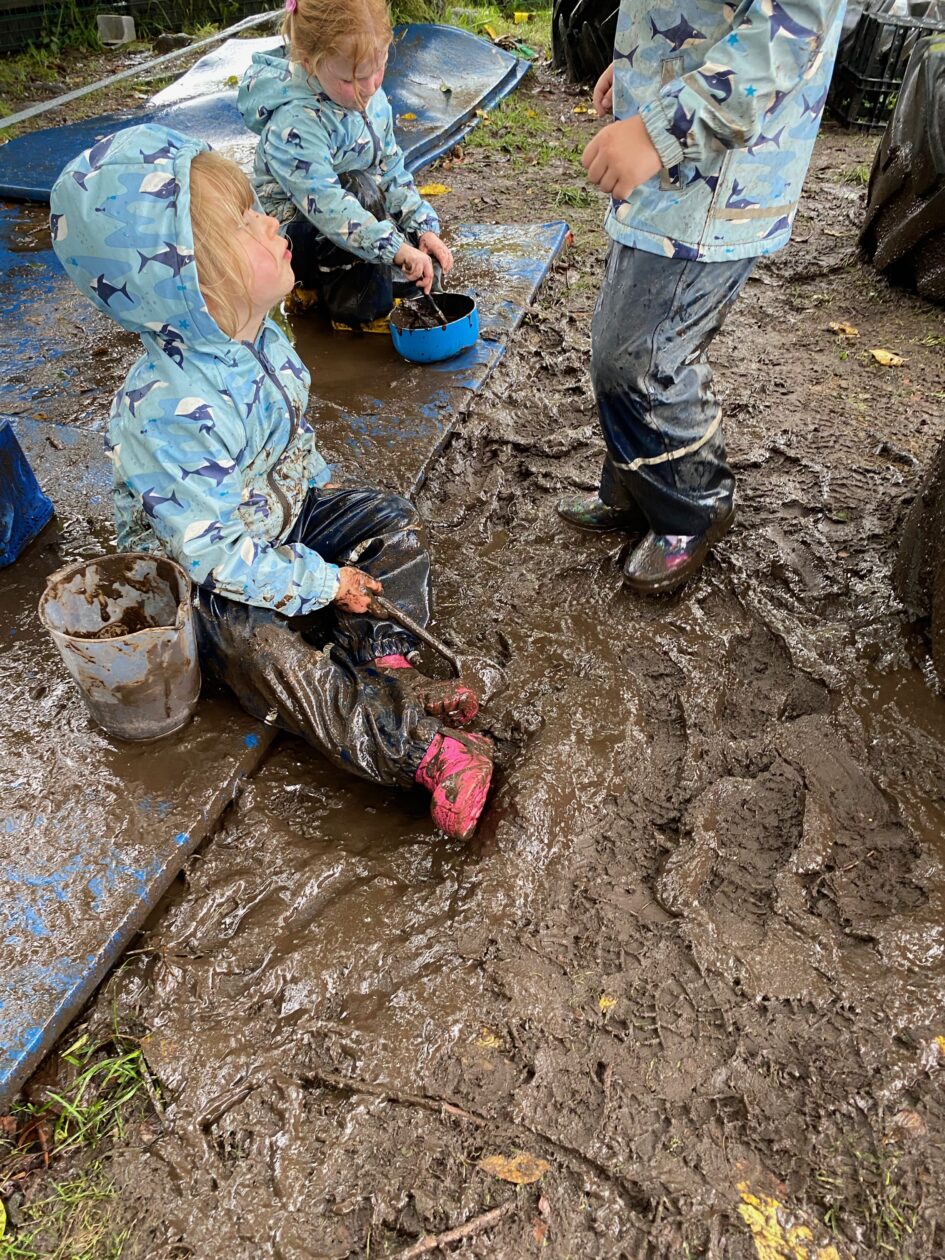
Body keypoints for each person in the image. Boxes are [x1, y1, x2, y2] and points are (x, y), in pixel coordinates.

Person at [49, 123, 493, 841]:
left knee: (385, 517)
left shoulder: (261, 332)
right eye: (244, 223)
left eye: (257, 207)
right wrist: (323, 584)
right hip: (209, 582)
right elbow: (214, 557)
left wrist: (320, 527)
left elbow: (293, 438)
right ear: (187, 281)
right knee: (263, 653)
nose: (271, 222)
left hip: (278, 521)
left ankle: (383, 659)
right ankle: (411, 748)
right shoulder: (167, 409)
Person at [559, 0, 846, 593]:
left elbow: (789, 28)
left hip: (715, 173)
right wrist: (640, 66)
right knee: (621, 339)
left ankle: (694, 508)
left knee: (643, 360)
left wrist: (664, 124)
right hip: (672, 160)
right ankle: (634, 489)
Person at [237, 0, 454, 329]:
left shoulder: (369, 96)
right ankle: (351, 313)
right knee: (360, 192)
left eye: (377, 71)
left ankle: (355, 284)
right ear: (310, 63)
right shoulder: (295, 121)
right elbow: (328, 205)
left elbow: (391, 170)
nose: (368, 89)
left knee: (382, 212)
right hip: (294, 236)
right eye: (352, 80)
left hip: (349, 210)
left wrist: (422, 228)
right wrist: (396, 249)